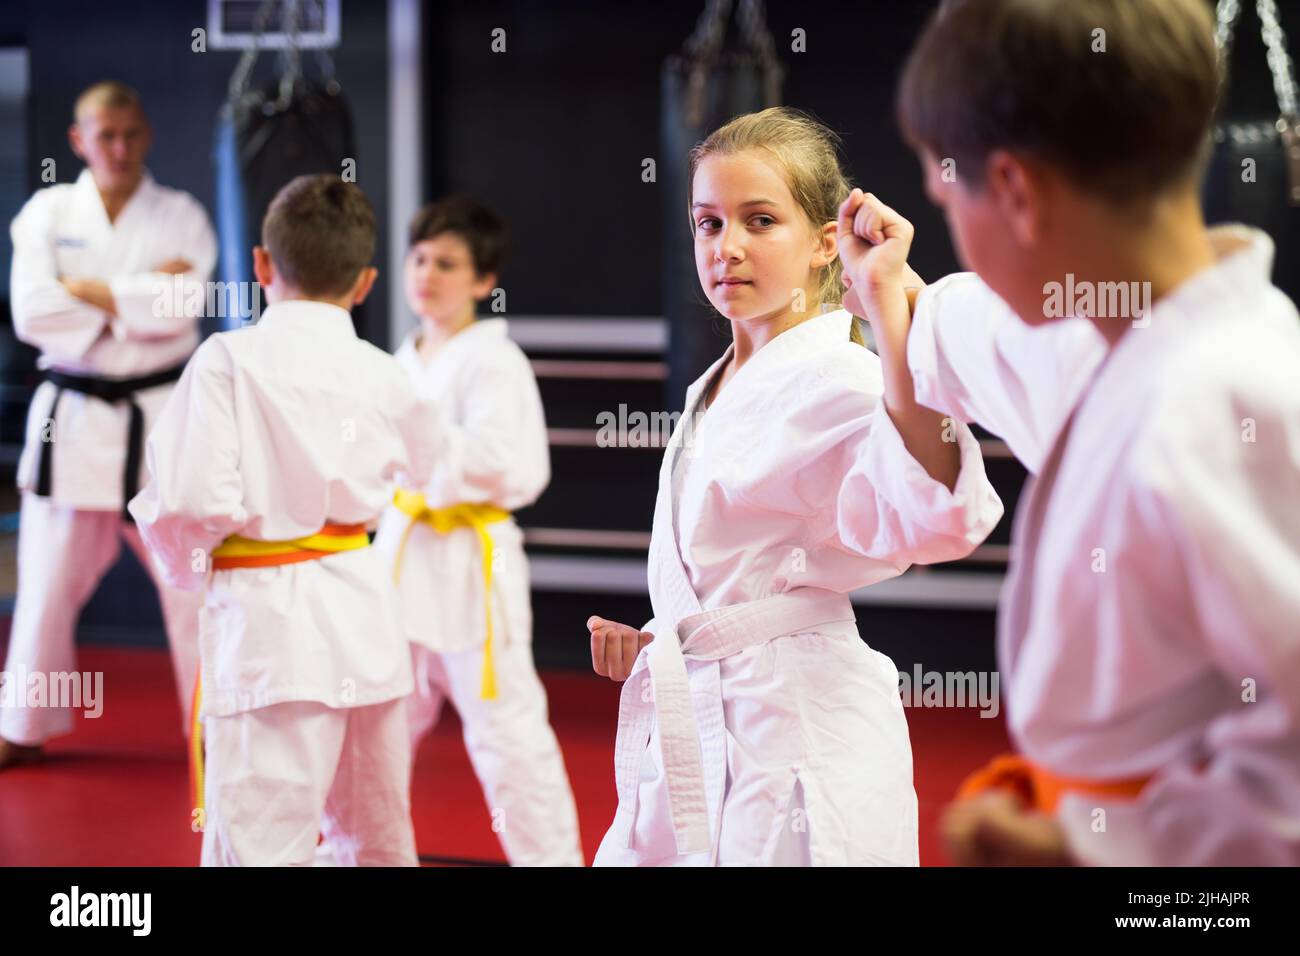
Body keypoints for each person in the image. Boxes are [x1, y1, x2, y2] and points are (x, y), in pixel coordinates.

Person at [843, 0, 1300, 865]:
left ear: (1014, 191)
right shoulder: (1090, 333)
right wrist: (879, 291)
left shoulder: (1230, 402)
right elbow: (947, 322)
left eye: (948, 194)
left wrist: (1083, 850)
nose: (953, 230)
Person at [588, 107, 1004, 866]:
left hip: (799, 730)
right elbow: (741, 569)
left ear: (823, 243)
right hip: (708, 706)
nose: (728, 248)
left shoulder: (836, 373)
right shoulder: (715, 386)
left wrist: (891, 316)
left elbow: (941, 510)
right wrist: (661, 636)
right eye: (708, 224)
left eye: (760, 221)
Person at [130, 174, 442, 866]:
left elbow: (186, 503)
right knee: (380, 839)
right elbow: (429, 470)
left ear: (261, 265)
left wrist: (191, 573)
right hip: (367, 621)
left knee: (261, 844)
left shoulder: (227, 361)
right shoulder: (387, 372)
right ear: (365, 284)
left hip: (269, 627)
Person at [1, 81, 215, 768]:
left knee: (193, 587)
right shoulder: (46, 210)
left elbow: (184, 305)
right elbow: (32, 312)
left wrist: (89, 291)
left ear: (147, 133)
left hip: (160, 418)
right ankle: (22, 726)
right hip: (75, 419)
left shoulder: (181, 214)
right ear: (78, 140)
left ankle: (213, 728)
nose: (119, 148)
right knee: (44, 585)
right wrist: (136, 298)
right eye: (105, 136)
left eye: (131, 134)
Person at [371, 196, 582, 866]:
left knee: (506, 728)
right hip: (400, 557)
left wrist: (417, 443)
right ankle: (364, 852)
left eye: (448, 263)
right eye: (420, 258)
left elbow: (512, 465)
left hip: (472, 561)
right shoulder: (396, 360)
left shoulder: (496, 361)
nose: (427, 273)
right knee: (377, 723)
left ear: (484, 281)